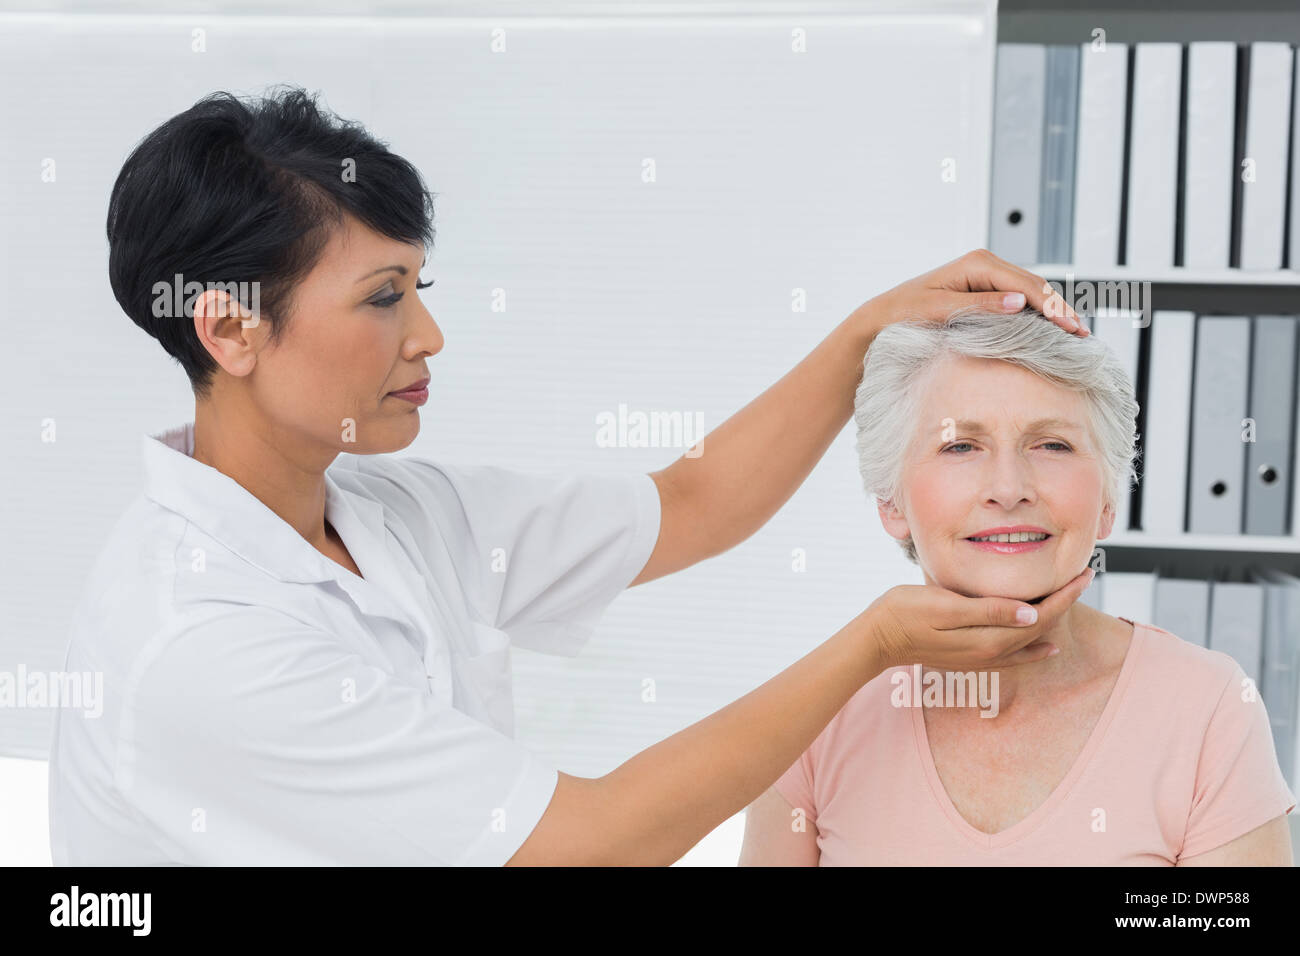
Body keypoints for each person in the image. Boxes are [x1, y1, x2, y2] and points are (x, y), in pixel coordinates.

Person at [48, 86, 1090, 866]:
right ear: (230, 326)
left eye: (422, 288)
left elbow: (692, 500)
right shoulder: (200, 644)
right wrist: (869, 644)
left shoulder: (387, 509)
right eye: (381, 298)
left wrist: (869, 329)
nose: (429, 335)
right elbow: (584, 844)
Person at [739, 308, 1296, 865]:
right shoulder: (815, 712)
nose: (1008, 489)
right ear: (891, 501)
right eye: (960, 446)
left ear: (1107, 501)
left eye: (1052, 445)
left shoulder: (1209, 705)